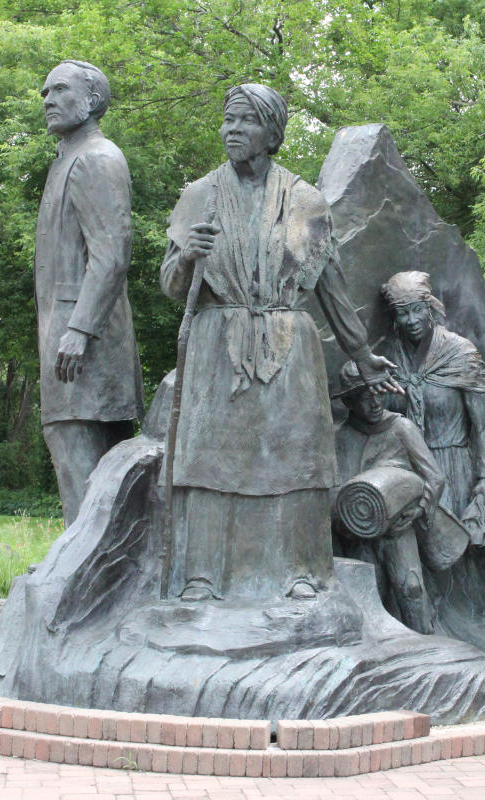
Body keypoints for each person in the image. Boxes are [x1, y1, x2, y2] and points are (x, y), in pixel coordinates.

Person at [160, 83, 399, 603]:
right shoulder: (199, 194)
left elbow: (331, 286)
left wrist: (361, 354)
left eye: (245, 121)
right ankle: (202, 574)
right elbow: (173, 288)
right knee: (209, 459)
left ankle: (300, 570)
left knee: (295, 459)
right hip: (217, 343)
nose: (232, 130)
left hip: (289, 343)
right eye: (228, 120)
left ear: (272, 134)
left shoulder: (305, 200)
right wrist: (186, 257)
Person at [35, 60, 144, 528]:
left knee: (86, 472)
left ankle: (80, 565)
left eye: (59, 89)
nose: (48, 100)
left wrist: (79, 330)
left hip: (85, 348)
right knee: (79, 467)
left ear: (93, 99)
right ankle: (82, 561)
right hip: (70, 342)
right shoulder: (68, 160)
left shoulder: (97, 159)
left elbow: (111, 255)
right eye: (45, 92)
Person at [333, 361, 445, 633]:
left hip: (398, 529)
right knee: (369, 593)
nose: (375, 403)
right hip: (358, 534)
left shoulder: (402, 428)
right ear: (349, 402)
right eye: (365, 397)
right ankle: (378, 649)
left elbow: (435, 477)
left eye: (379, 393)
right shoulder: (341, 436)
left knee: (411, 588)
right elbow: (334, 490)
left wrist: (419, 509)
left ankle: (425, 641)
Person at [380, 271, 485, 516]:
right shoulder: (388, 359)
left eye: (417, 310)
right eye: (403, 313)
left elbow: (484, 425)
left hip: (453, 467)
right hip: (403, 470)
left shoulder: (459, 352)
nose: (412, 320)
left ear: (430, 308)